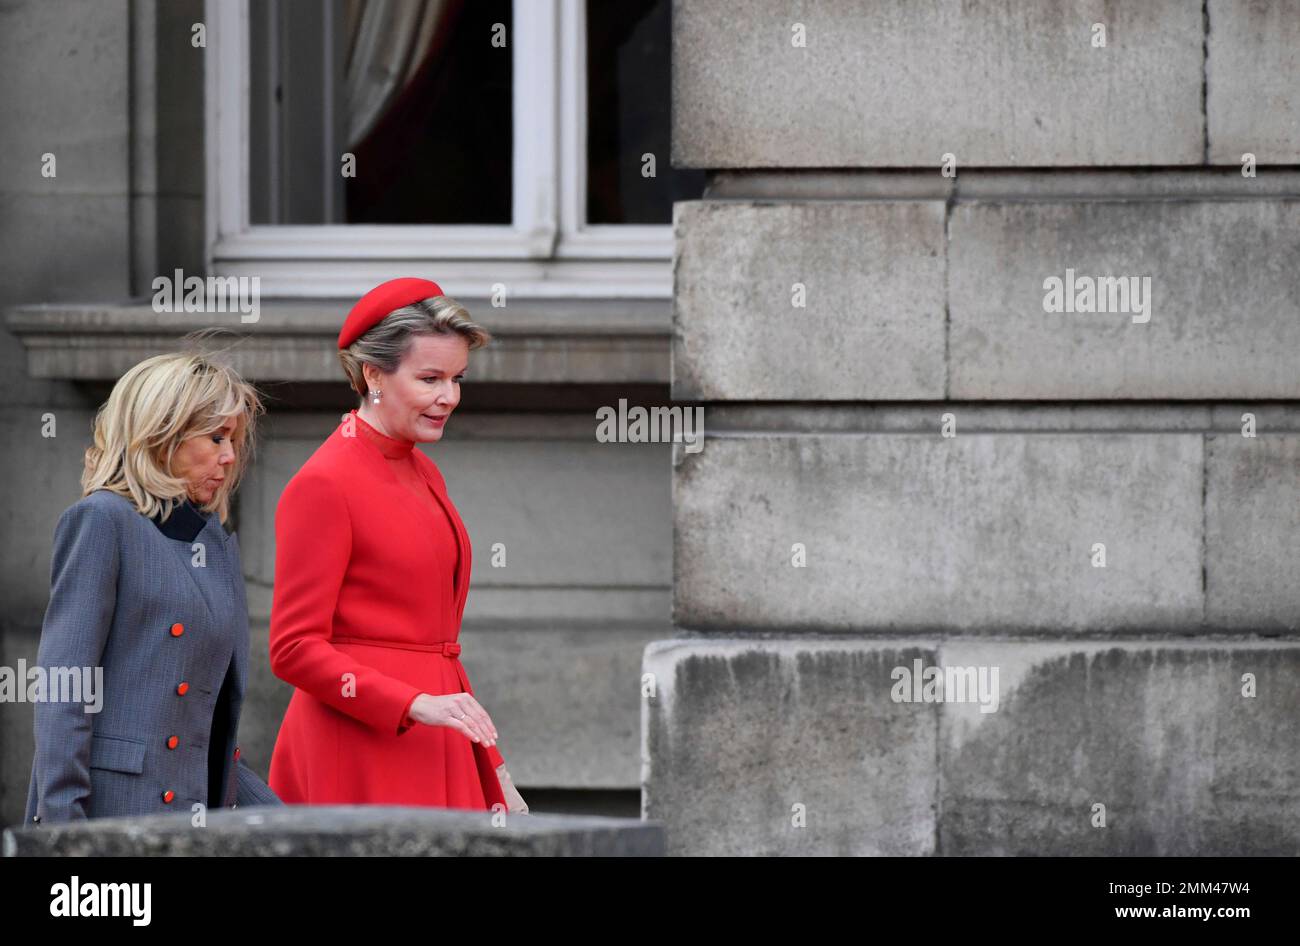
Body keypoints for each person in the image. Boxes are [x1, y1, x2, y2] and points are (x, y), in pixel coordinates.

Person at [267, 277, 528, 813]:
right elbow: (293, 649)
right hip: (359, 741)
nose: (449, 397)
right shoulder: (325, 483)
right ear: (373, 375)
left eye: (457, 378)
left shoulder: (421, 466)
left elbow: (434, 639)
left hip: (434, 729)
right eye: (430, 378)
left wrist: (483, 752)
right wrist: (412, 702)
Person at [25, 350, 281, 823]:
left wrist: (283, 819)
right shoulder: (102, 521)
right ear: (161, 435)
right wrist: (63, 832)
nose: (229, 457)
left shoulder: (215, 545)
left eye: (234, 440)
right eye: (216, 436)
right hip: (113, 814)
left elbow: (209, 730)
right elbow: (65, 689)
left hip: (192, 814)